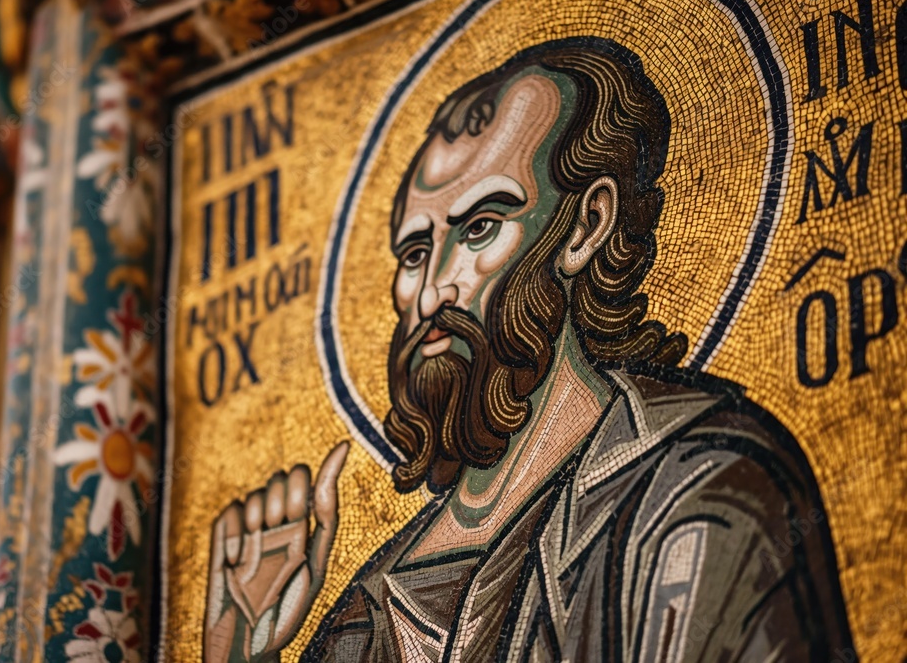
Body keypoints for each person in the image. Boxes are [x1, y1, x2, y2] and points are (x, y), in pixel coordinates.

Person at [205, 37, 854, 662]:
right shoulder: (367, 611)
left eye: (480, 227)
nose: (431, 292)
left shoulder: (699, 489)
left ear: (586, 226)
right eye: (416, 251)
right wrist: (241, 655)